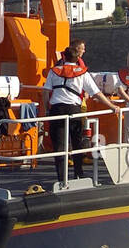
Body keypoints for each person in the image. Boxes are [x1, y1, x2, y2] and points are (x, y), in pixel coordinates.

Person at [42, 45, 121, 183]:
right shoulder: (82, 73)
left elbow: (45, 92)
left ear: (64, 57)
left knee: (59, 146)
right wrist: (112, 106)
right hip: (74, 110)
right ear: (77, 58)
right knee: (77, 143)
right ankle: (78, 175)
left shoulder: (53, 71)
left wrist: (48, 110)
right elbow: (96, 92)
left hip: (57, 110)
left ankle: (61, 178)